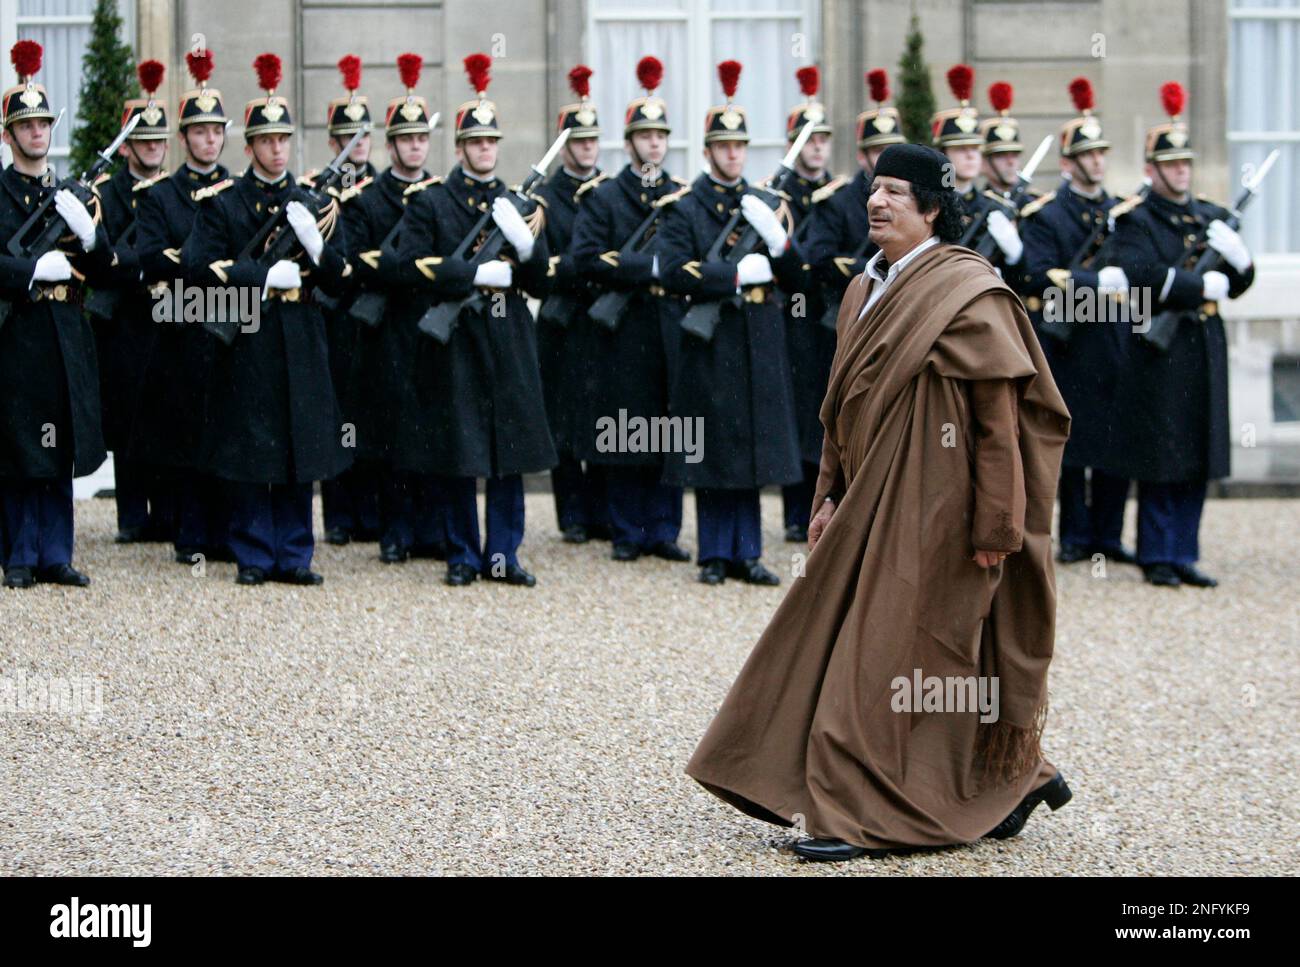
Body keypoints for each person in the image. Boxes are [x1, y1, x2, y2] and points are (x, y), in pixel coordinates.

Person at [686, 143, 1074, 861]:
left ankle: (849, 811)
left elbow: (999, 424)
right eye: (874, 188)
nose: (877, 201)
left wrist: (997, 525)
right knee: (889, 653)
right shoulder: (864, 287)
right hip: (868, 498)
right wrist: (828, 490)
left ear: (931, 208)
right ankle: (1018, 777)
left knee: (885, 656)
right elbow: (841, 404)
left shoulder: (968, 289)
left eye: (896, 191)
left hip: (940, 509)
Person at [182, 53, 352, 585]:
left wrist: (314, 246)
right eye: (267, 141)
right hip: (250, 337)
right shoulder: (225, 203)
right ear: (250, 146)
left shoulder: (312, 204)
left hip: (300, 334)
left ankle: (296, 554)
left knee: (300, 443)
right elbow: (196, 268)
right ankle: (255, 554)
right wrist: (259, 278)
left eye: (283, 140)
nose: (277, 149)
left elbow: (342, 278)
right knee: (253, 446)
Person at [394, 53, 555, 588]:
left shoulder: (519, 204)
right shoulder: (433, 202)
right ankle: (462, 553)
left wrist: (527, 247)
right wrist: (475, 273)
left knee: (509, 452)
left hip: (508, 335)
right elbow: (414, 267)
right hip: (459, 338)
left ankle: (504, 554)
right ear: (460, 148)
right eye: (476, 142)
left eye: (492, 142)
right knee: (460, 450)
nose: (485, 149)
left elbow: (542, 281)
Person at [1105, 82, 1255, 588]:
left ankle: (1184, 551)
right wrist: (1197, 284)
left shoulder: (1210, 215)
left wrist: (1240, 259)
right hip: (1160, 346)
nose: (1181, 171)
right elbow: (1137, 272)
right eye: (1170, 165)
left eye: (1186, 163)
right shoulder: (1135, 218)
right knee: (1161, 449)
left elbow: (1237, 284)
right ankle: (1156, 553)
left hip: (1203, 345)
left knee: (1198, 448)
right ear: (1151, 169)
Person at [0, 41, 113, 588]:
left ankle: (55, 554)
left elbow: (107, 263)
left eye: (43, 123)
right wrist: (27, 271)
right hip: (19, 330)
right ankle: (19, 556)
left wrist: (91, 235)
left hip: (66, 329)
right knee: (21, 444)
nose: (36, 132)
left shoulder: (71, 193)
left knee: (58, 440)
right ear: (9, 134)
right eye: (25, 125)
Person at [567, 55, 689, 564]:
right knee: (623, 427)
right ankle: (625, 529)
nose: (654, 143)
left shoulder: (682, 197)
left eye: (660, 135)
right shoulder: (606, 196)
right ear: (629, 141)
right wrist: (648, 270)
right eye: (645, 135)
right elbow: (584, 257)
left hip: (669, 325)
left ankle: (663, 529)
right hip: (623, 329)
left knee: (670, 426)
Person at [1018, 77, 1135, 566]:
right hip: (1068, 346)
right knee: (1070, 444)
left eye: (1102, 153)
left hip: (1114, 340)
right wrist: (1095, 287)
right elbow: (1040, 279)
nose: (1098, 161)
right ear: (1067, 163)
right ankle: (1076, 536)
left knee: (1116, 440)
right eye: (1087, 155)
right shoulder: (1047, 215)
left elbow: (1137, 286)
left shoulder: (1124, 213)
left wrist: (1106, 293)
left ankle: (1109, 536)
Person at [131, 48, 233, 567]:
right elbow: (152, 260)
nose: (209, 140)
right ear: (184, 138)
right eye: (199, 132)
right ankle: (191, 532)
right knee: (188, 430)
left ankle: (229, 532)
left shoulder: (239, 193)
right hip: (183, 320)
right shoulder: (160, 196)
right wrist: (203, 262)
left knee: (231, 426)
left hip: (235, 318)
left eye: (216, 131)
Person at [343, 53, 445, 566]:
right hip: (388, 325)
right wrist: (404, 266)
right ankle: (394, 530)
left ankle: (430, 530)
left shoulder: (443, 197)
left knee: (431, 427)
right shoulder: (368, 199)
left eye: (422, 138)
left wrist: (410, 267)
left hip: (430, 324)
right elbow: (360, 264)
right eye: (406, 139)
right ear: (390, 145)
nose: (415, 146)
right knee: (389, 434)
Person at [91, 59, 175, 546]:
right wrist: (137, 264)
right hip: (123, 315)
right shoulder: (108, 193)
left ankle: (166, 513)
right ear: (127, 146)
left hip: (166, 314)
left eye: (159, 142)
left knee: (164, 411)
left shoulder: (174, 190)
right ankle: (131, 516)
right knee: (126, 414)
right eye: (144, 142)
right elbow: (101, 258)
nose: (152, 149)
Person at [533, 64, 611, 548]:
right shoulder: (546, 196)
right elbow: (542, 266)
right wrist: (580, 265)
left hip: (602, 317)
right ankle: (573, 515)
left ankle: (602, 511)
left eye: (592, 141)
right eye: (578, 142)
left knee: (603, 415)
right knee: (563, 419)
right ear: (564, 146)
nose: (586, 148)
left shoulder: (610, 191)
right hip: (563, 318)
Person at [316, 53, 381, 548]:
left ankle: (373, 512)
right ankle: (339, 515)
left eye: (364, 137)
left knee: (373, 411)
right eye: (348, 138)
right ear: (334, 142)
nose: (357, 146)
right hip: (335, 311)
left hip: (376, 311)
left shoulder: (383, 188)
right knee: (338, 413)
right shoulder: (319, 189)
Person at [774, 65, 834, 545]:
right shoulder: (778, 196)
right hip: (791, 314)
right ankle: (797, 513)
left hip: (832, 316)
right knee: (796, 412)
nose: (817, 148)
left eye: (823, 140)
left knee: (829, 413)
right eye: (808, 140)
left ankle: (825, 507)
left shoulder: (841, 194)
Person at [932, 64, 1023, 279]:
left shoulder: (992, 207)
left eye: (975, 148)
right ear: (943, 154)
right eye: (961, 149)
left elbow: (1024, 280)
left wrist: (1015, 256)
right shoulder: (929, 205)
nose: (971, 155)